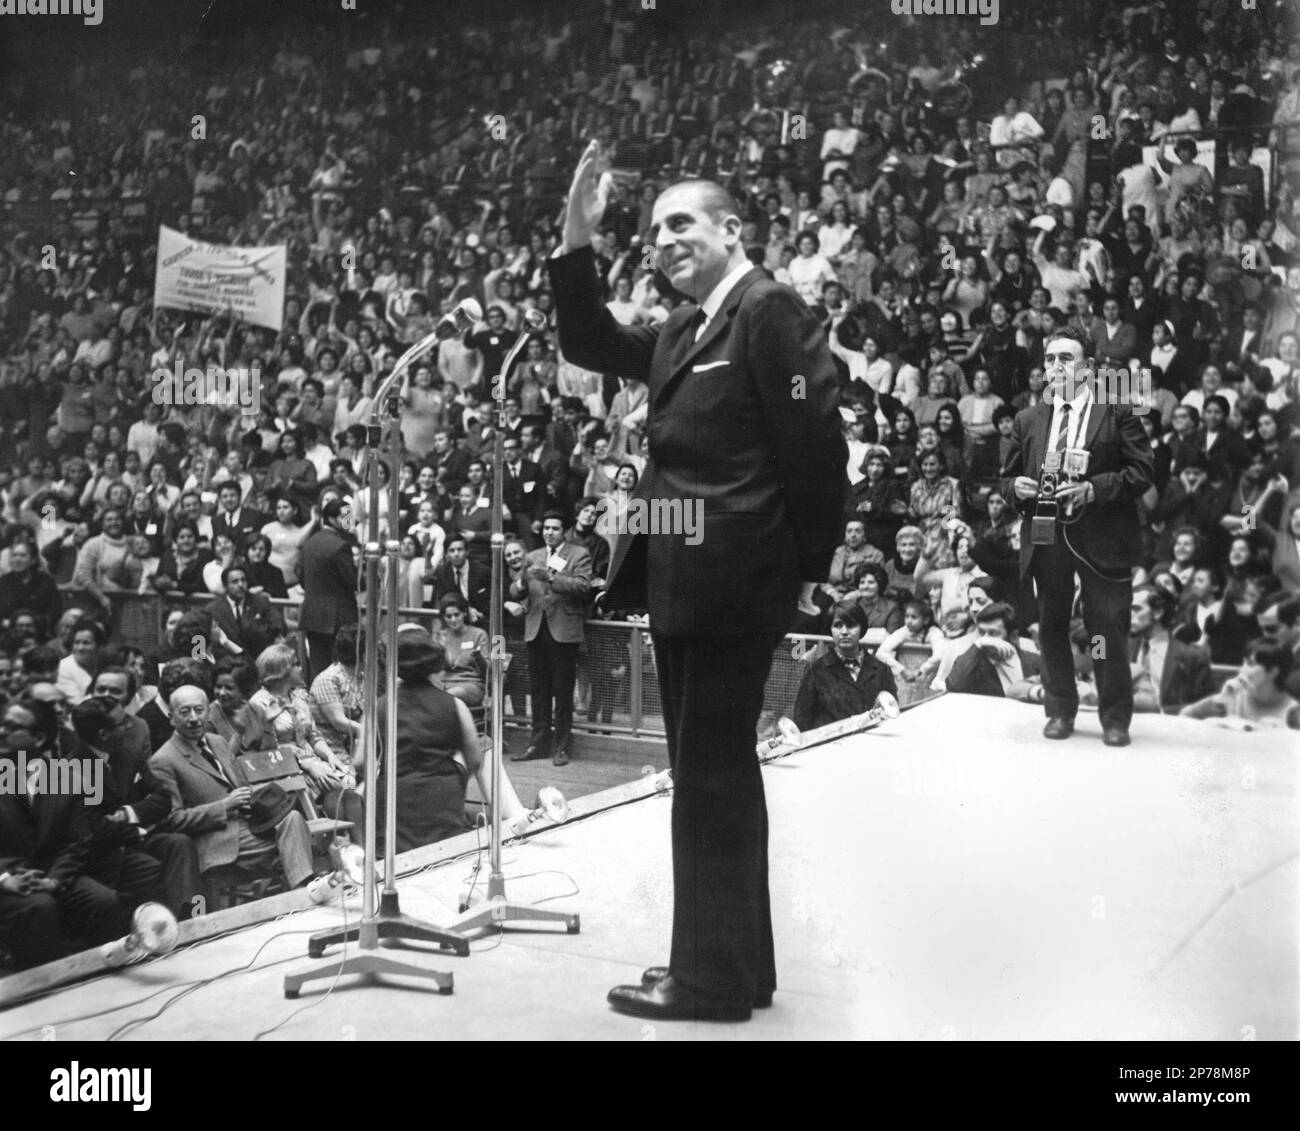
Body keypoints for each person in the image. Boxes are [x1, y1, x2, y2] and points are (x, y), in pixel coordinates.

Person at [550, 147, 845, 1021]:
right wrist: (577, 234)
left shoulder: (768, 309)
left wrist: (803, 576)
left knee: (710, 781)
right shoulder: (683, 328)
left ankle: (708, 980)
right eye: (652, 231)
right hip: (682, 579)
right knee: (716, 777)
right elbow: (588, 339)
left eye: (682, 223)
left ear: (732, 229)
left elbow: (816, 450)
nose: (664, 240)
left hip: (734, 585)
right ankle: (736, 968)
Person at [1000, 327, 1154, 746]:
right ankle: (1060, 710)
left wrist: (1094, 487)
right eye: (1049, 360)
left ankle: (1115, 717)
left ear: (1086, 368)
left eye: (1065, 359)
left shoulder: (1118, 410)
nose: (1055, 367)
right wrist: (1017, 490)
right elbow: (1005, 479)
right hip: (1048, 535)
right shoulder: (1028, 420)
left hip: (1103, 538)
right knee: (1051, 626)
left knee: (1105, 628)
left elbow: (1142, 472)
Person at [149, 685, 316, 891]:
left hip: (252, 827)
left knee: (294, 820)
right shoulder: (163, 760)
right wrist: (224, 805)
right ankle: (306, 894)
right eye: (185, 712)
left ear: (208, 712)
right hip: (218, 843)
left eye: (199, 710)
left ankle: (302, 893)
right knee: (294, 849)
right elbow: (171, 820)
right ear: (171, 717)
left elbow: (240, 785)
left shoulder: (217, 742)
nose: (193, 718)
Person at [374, 629, 482, 852]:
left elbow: (361, 761)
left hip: (398, 794)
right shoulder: (455, 705)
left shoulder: (381, 706)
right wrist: (457, 779)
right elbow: (475, 759)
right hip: (443, 792)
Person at [510, 511, 592, 767]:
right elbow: (515, 591)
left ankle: (561, 747)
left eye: (555, 528)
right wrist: (522, 581)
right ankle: (538, 744)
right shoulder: (533, 556)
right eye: (546, 528)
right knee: (539, 691)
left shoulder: (579, 554)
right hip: (536, 629)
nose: (549, 532)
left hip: (563, 630)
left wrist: (553, 579)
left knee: (563, 691)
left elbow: (583, 586)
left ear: (564, 531)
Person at [791, 600, 897, 731]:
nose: (844, 631)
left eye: (851, 625)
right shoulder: (815, 670)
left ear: (862, 628)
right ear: (830, 629)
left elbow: (892, 716)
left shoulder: (882, 670)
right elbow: (802, 721)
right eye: (838, 625)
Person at [1127, 584, 1212, 714]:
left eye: (1136, 609)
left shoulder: (1192, 657)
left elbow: (1204, 708)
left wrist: (1161, 710)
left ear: (1158, 612)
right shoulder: (1117, 649)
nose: (1128, 615)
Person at [298, 498, 359, 680]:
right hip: (339, 616)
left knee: (319, 670)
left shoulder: (309, 543)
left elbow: (302, 580)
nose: (350, 522)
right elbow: (353, 581)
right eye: (345, 517)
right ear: (332, 519)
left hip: (313, 615)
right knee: (343, 672)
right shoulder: (340, 545)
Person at [1180, 640, 1299, 729]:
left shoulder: (1293, 712)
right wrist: (1220, 705)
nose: (1242, 670)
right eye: (1243, 663)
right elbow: (1183, 717)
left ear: (1273, 672)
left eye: (1250, 664)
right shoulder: (1235, 695)